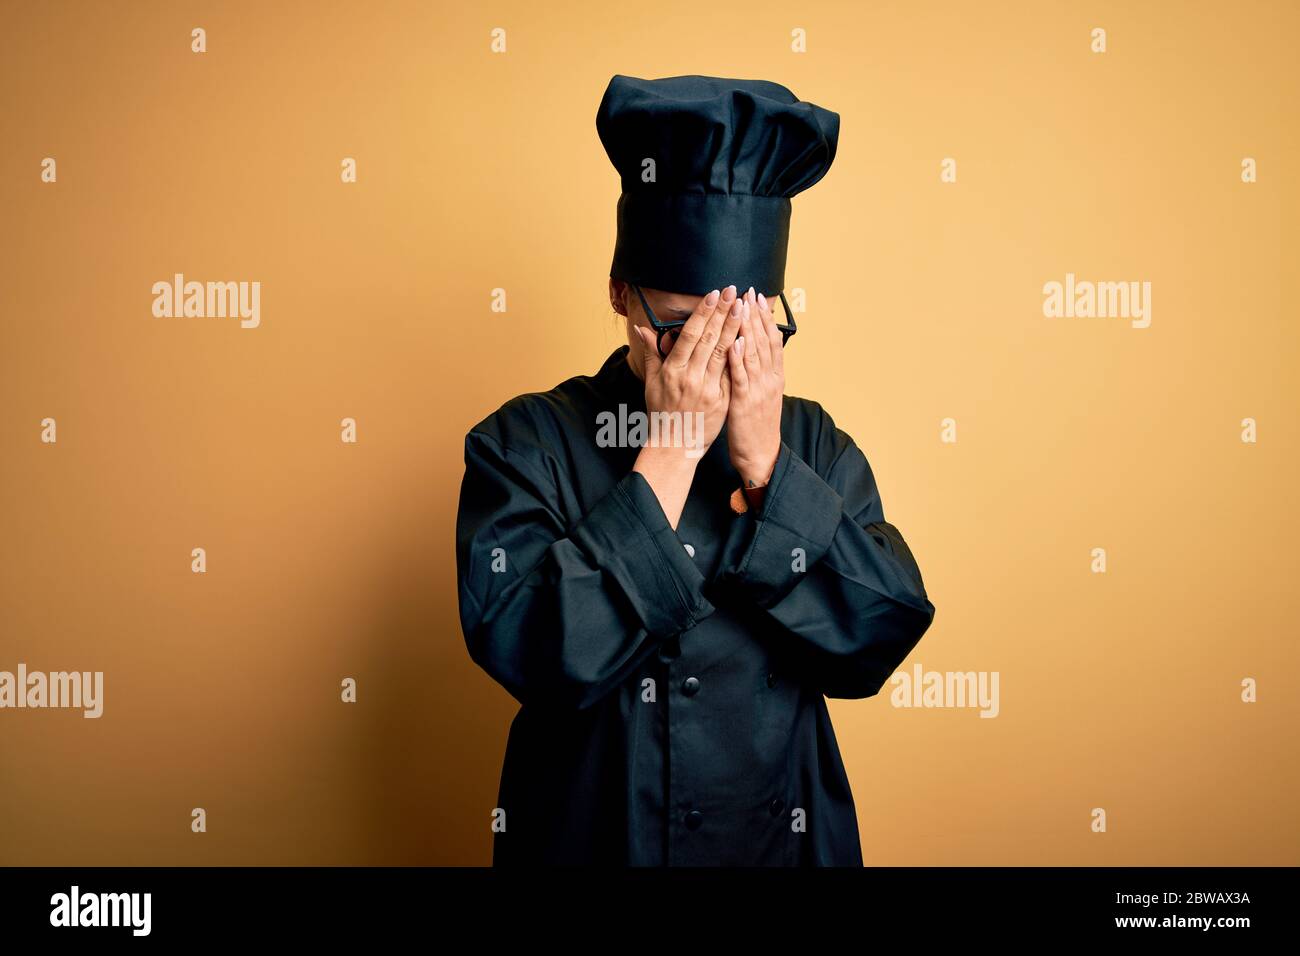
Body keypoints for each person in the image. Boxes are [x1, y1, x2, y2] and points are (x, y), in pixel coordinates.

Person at [455, 75, 937, 866]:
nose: (717, 359)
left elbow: (879, 635)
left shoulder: (812, 441)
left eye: (747, 329)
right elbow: (529, 651)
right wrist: (673, 450)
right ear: (620, 293)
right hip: (593, 840)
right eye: (683, 329)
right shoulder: (524, 441)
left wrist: (767, 469)